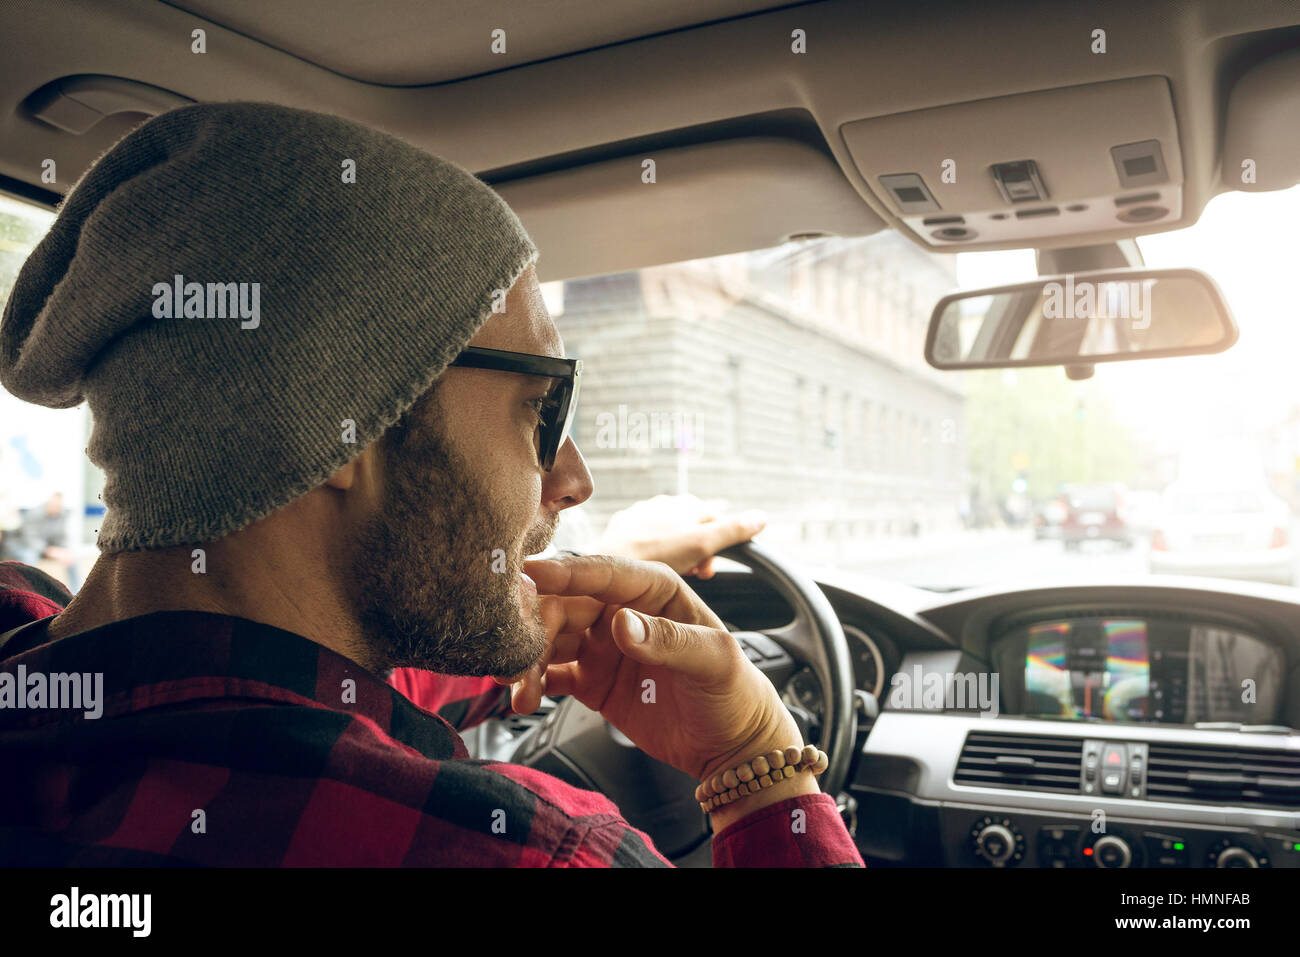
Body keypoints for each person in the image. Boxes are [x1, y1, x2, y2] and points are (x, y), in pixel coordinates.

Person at [0, 102, 861, 867]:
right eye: (539, 407)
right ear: (343, 416)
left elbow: (274, 672)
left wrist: (588, 574)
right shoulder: (526, 849)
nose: (573, 478)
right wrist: (758, 765)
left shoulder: (33, 652)